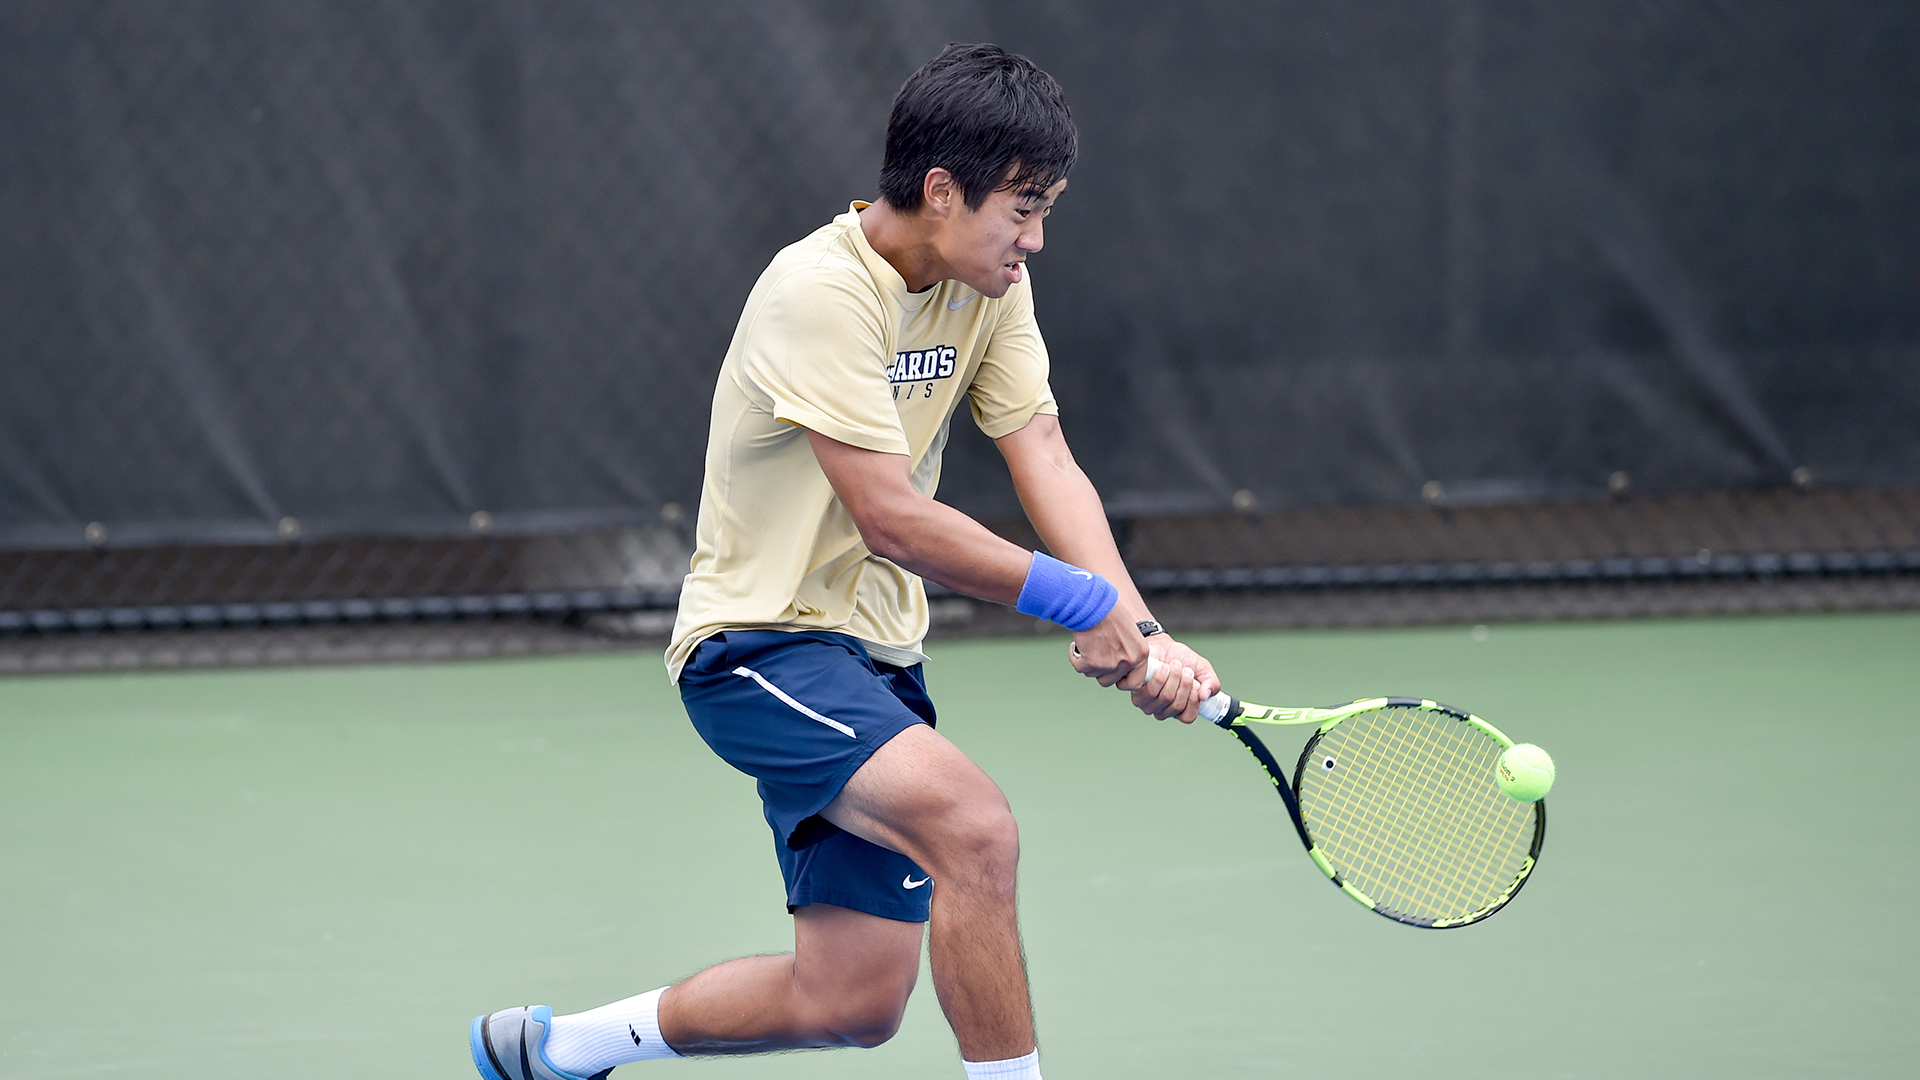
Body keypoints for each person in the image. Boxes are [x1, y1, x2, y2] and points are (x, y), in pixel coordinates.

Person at [471, 43, 1220, 1080]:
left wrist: (1141, 631)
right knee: (976, 831)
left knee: (852, 999)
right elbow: (892, 518)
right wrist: (1081, 601)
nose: (1037, 239)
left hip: (877, 653)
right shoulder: (818, 291)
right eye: (1022, 208)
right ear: (942, 191)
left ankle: (564, 1050)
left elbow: (1043, 452)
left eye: (1048, 209)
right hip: (760, 648)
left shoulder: (988, 287)